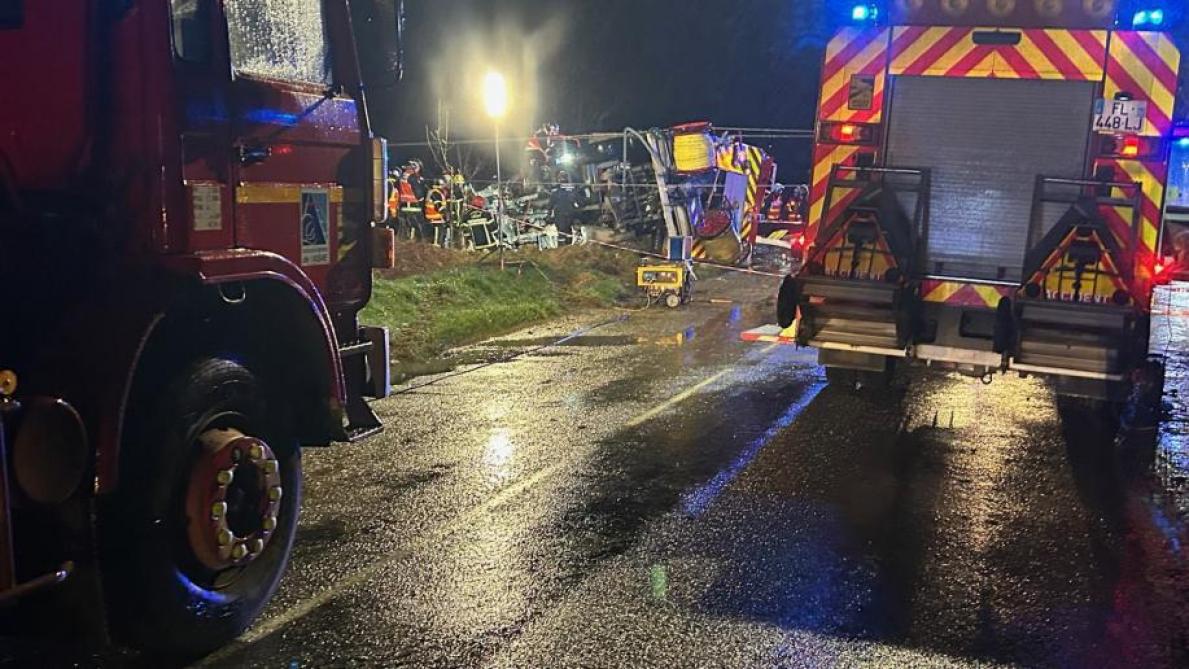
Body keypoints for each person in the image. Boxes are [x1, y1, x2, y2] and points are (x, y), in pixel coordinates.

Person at [550, 171, 585, 245]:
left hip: (561, 215)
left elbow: (551, 203)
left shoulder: (556, 190)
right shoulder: (571, 188)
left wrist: (549, 213)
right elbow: (579, 201)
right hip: (568, 214)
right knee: (567, 233)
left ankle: (564, 248)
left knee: (563, 233)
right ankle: (567, 247)